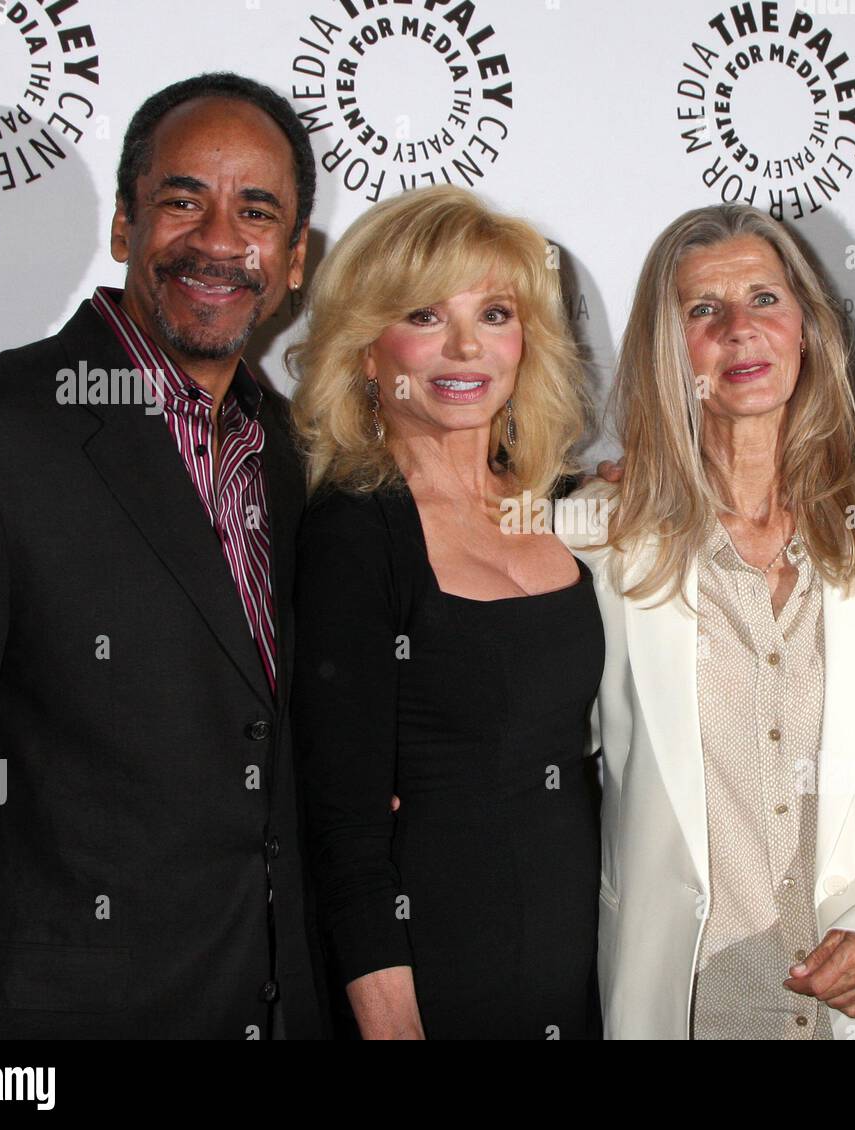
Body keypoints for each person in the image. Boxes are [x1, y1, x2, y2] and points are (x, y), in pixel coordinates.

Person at [0, 73, 326, 1039]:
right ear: (126, 228)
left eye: (256, 212)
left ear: (295, 257)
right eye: (184, 201)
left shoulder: (298, 457)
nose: (220, 242)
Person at [564, 204, 855, 1039]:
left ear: (808, 330)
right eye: (703, 311)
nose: (740, 331)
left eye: (765, 300)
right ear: (667, 350)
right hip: (684, 1007)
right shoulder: (595, 538)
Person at [289, 185, 603, 1040]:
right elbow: (344, 829)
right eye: (424, 315)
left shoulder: (558, 509)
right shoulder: (355, 533)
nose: (466, 346)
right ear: (365, 351)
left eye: (495, 313)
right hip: (437, 971)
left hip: (583, 962)